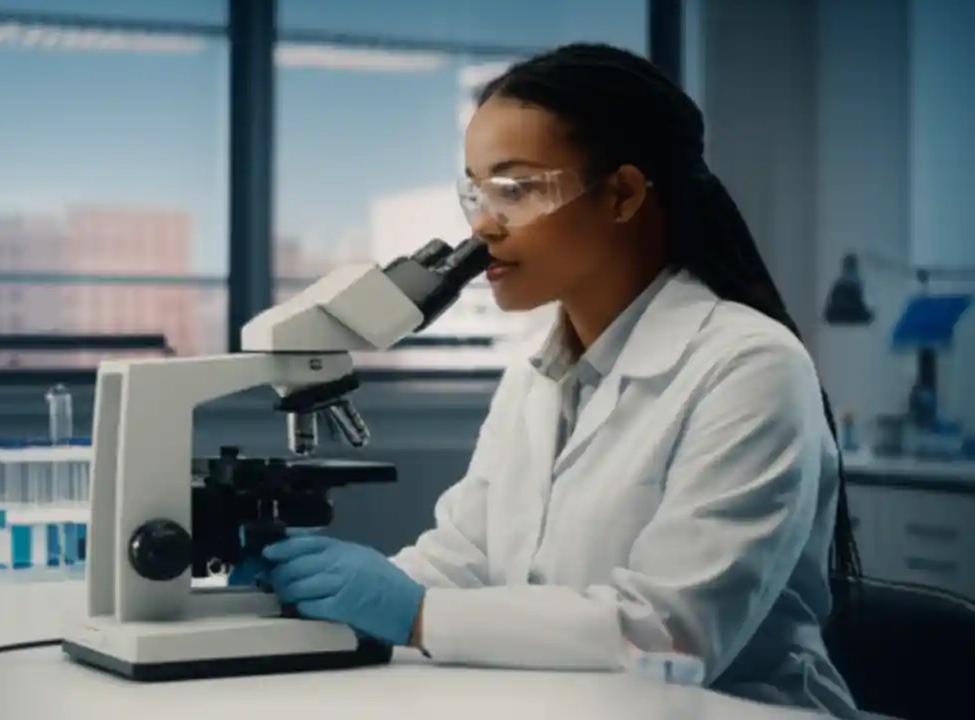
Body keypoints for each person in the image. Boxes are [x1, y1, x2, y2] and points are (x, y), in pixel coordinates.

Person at [245, 43, 861, 718]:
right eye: (476, 192)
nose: (481, 225)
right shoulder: (537, 374)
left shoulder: (751, 368)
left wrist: (417, 615)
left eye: (515, 190)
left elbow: (670, 635)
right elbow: (464, 558)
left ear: (622, 193)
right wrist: (321, 596)